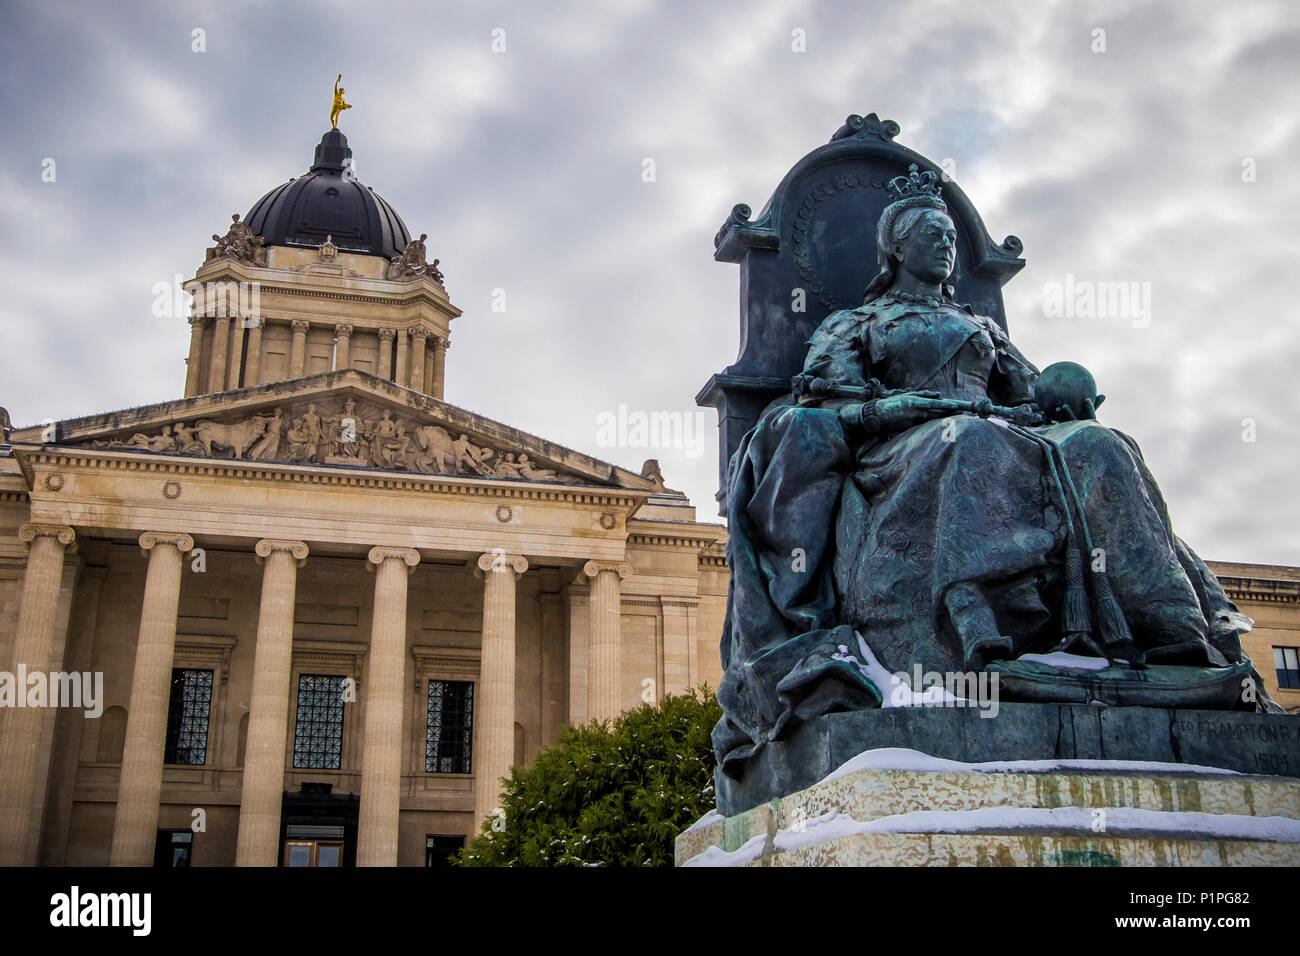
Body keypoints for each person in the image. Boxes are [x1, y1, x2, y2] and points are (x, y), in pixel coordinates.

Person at [713, 164, 1255, 773]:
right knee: (966, 439)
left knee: (1101, 445)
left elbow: (1029, 396)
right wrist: (904, 406)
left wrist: (1063, 394)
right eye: (930, 233)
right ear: (896, 247)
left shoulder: (982, 326)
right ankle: (976, 622)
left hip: (1000, 429)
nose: (945, 243)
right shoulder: (856, 323)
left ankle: (1170, 627)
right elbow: (829, 405)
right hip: (901, 447)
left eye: (949, 233)